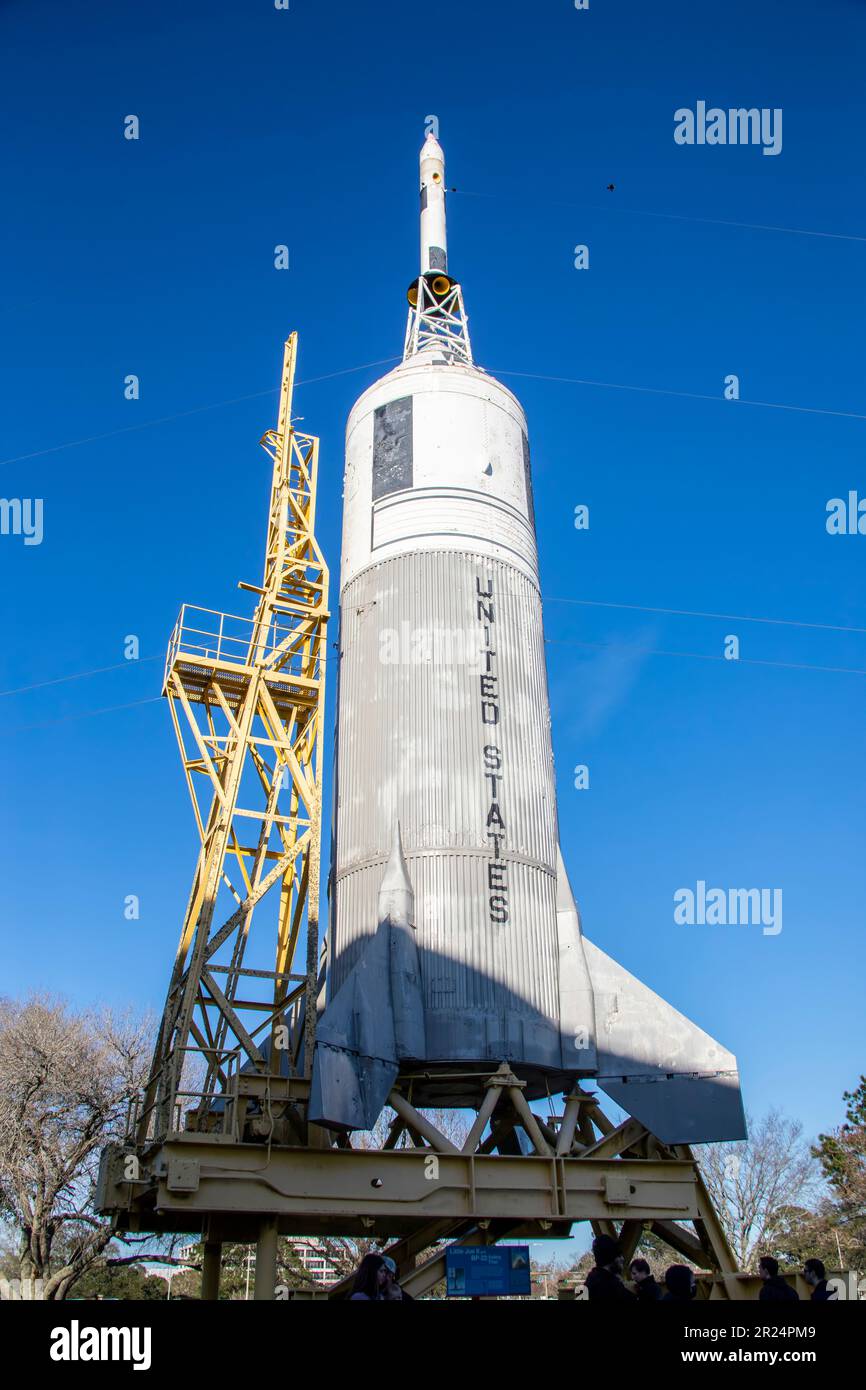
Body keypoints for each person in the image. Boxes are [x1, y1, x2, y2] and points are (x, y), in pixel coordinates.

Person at [585, 1235, 636, 1301]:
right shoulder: (612, 1286)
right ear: (610, 1256)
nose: (622, 1259)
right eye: (618, 1255)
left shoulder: (589, 1282)